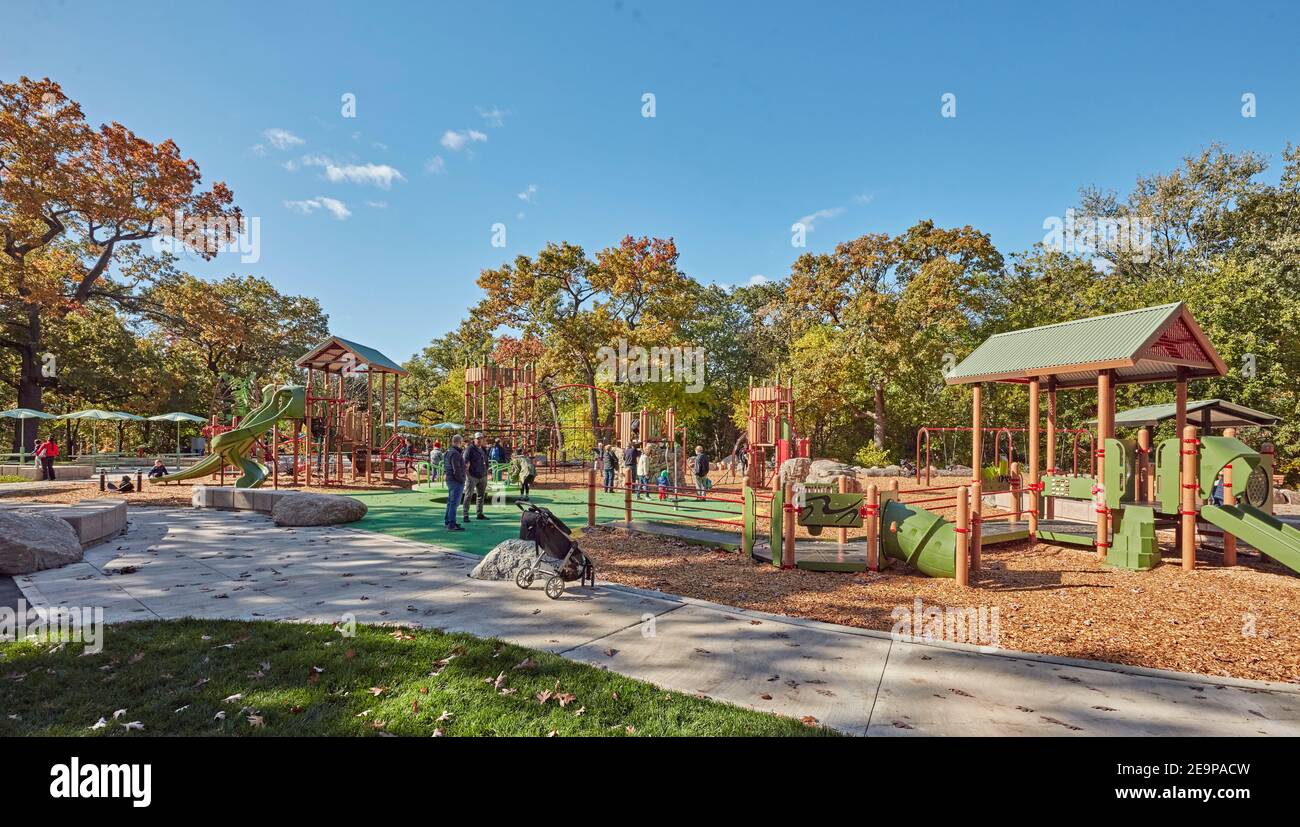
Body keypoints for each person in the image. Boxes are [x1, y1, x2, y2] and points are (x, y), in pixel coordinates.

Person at [463, 432, 490, 521]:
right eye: (478, 438)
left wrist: (486, 472)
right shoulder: (469, 449)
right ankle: (465, 514)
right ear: (474, 439)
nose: (479, 440)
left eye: (481, 438)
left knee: (481, 496)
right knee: (468, 495)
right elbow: (465, 462)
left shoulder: (483, 449)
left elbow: (486, 461)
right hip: (472, 476)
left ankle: (479, 513)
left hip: (482, 476)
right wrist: (468, 476)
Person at [443, 435, 466, 531]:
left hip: (450, 478)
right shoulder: (455, 454)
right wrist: (461, 480)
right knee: (454, 503)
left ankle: (448, 521)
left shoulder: (449, 452)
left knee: (450, 502)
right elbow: (456, 469)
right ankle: (451, 524)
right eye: (462, 442)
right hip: (455, 480)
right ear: (459, 442)